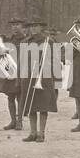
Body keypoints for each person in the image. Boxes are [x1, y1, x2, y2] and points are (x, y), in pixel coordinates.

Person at [19, 14, 59, 143]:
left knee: (42, 106)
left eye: (36, 26)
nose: (34, 28)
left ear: (41, 27)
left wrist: (47, 68)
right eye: (31, 26)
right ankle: (32, 133)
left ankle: (41, 133)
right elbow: (22, 61)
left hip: (44, 78)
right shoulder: (25, 42)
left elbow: (55, 60)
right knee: (30, 106)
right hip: (28, 77)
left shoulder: (49, 41)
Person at [0, 15, 26, 130]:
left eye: (17, 25)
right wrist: (0, 50)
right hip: (9, 71)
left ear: (23, 27)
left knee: (20, 97)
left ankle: (20, 121)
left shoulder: (27, 40)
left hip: (22, 71)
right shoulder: (7, 40)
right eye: (13, 25)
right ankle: (13, 120)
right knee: (10, 97)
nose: (15, 27)